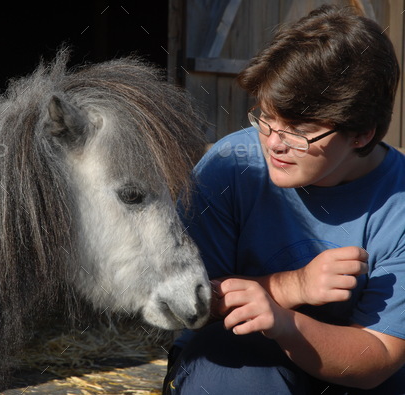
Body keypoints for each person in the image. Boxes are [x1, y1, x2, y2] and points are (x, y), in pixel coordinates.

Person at [164, 4, 404, 394]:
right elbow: (178, 300)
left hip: (354, 372)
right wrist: (290, 288)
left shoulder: (400, 205)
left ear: (361, 134)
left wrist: (287, 324)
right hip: (237, 364)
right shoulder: (230, 168)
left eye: (299, 130)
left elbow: (378, 357)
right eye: (267, 117)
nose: (274, 143)